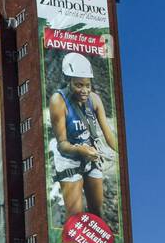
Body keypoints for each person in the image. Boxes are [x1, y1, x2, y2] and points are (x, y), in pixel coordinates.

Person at [48, 52, 119, 219]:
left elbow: (108, 135)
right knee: (76, 216)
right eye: (79, 85)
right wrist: (80, 150)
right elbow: (62, 144)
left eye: (87, 85)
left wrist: (123, 155)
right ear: (68, 81)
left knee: (97, 211)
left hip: (91, 156)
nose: (84, 90)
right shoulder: (58, 101)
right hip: (68, 157)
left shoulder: (94, 99)